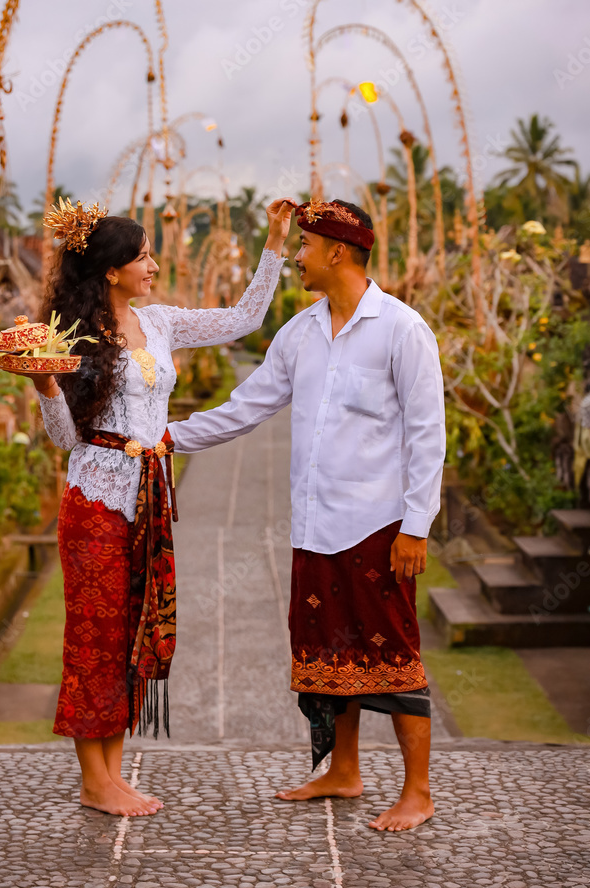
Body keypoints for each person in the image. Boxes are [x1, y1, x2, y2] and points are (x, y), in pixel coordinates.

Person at [167, 197, 446, 832]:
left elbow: (429, 435)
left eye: (305, 246)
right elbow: (247, 405)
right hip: (314, 527)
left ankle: (418, 792)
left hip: (378, 527)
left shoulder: (402, 329)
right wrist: (171, 437)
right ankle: (343, 772)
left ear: (337, 252)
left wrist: (415, 526)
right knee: (326, 653)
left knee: (394, 651)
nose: (297, 257)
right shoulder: (299, 333)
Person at [15, 196, 294, 817]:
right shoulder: (75, 337)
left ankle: (112, 774)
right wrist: (45, 386)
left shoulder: (162, 322)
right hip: (94, 501)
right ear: (112, 271)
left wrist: (274, 242)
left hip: (148, 496)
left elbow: (246, 318)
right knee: (93, 637)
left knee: (131, 635)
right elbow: (65, 438)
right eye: (142, 256)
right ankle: (94, 779)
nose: (154, 263)